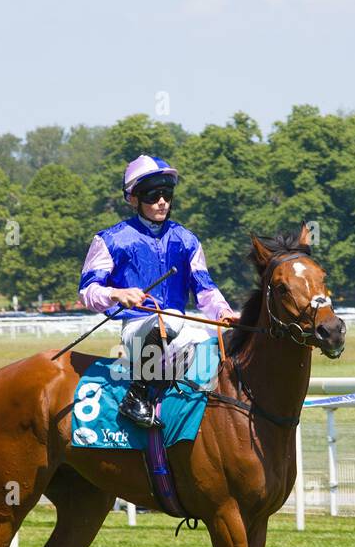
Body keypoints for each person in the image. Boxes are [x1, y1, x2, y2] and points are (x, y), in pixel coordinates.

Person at [78, 155, 240, 428]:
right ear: (133, 198)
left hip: (179, 328)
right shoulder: (110, 239)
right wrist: (116, 294)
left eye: (166, 193)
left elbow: (205, 289)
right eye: (153, 195)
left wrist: (224, 312)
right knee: (172, 319)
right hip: (138, 328)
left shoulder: (186, 239)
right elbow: (87, 291)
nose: (162, 201)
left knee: (222, 338)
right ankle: (136, 395)